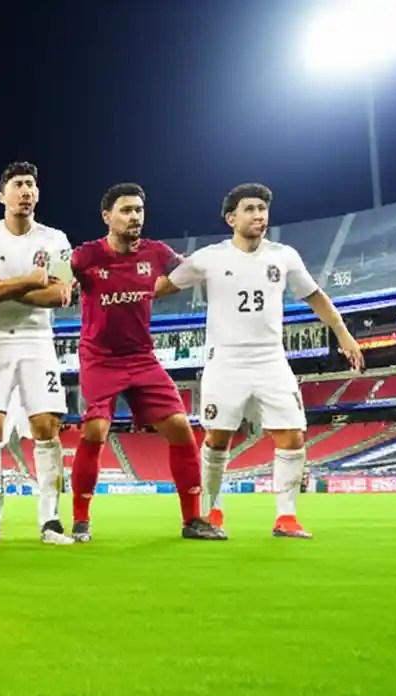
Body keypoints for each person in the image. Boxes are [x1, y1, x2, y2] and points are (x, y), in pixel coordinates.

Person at [156, 183, 364, 539]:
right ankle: (212, 510)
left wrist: (343, 333)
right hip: (225, 362)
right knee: (217, 439)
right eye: (250, 209)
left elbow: (314, 295)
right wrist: (124, 279)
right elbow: (162, 287)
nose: (259, 215)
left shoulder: (283, 256)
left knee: (292, 437)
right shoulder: (209, 257)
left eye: (262, 209)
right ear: (231, 217)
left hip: (271, 361)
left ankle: (286, 517)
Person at [68, 183, 226, 542]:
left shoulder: (156, 252)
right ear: (107, 217)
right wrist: (59, 288)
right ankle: (80, 520)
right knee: (95, 430)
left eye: (139, 209)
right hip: (99, 358)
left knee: (181, 429)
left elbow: (189, 271)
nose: (134, 216)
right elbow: (61, 280)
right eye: (126, 210)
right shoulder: (86, 256)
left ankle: (191, 520)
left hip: (142, 358)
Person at [0, 161, 75, 545]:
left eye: (31, 184)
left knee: (47, 426)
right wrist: (29, 282)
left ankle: (51, 521)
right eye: (17, 185)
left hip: (37, 340)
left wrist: (4, 287)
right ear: (2, 196)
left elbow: (62, 294)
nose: (25, 191)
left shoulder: (56, 239)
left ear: (37, 193)